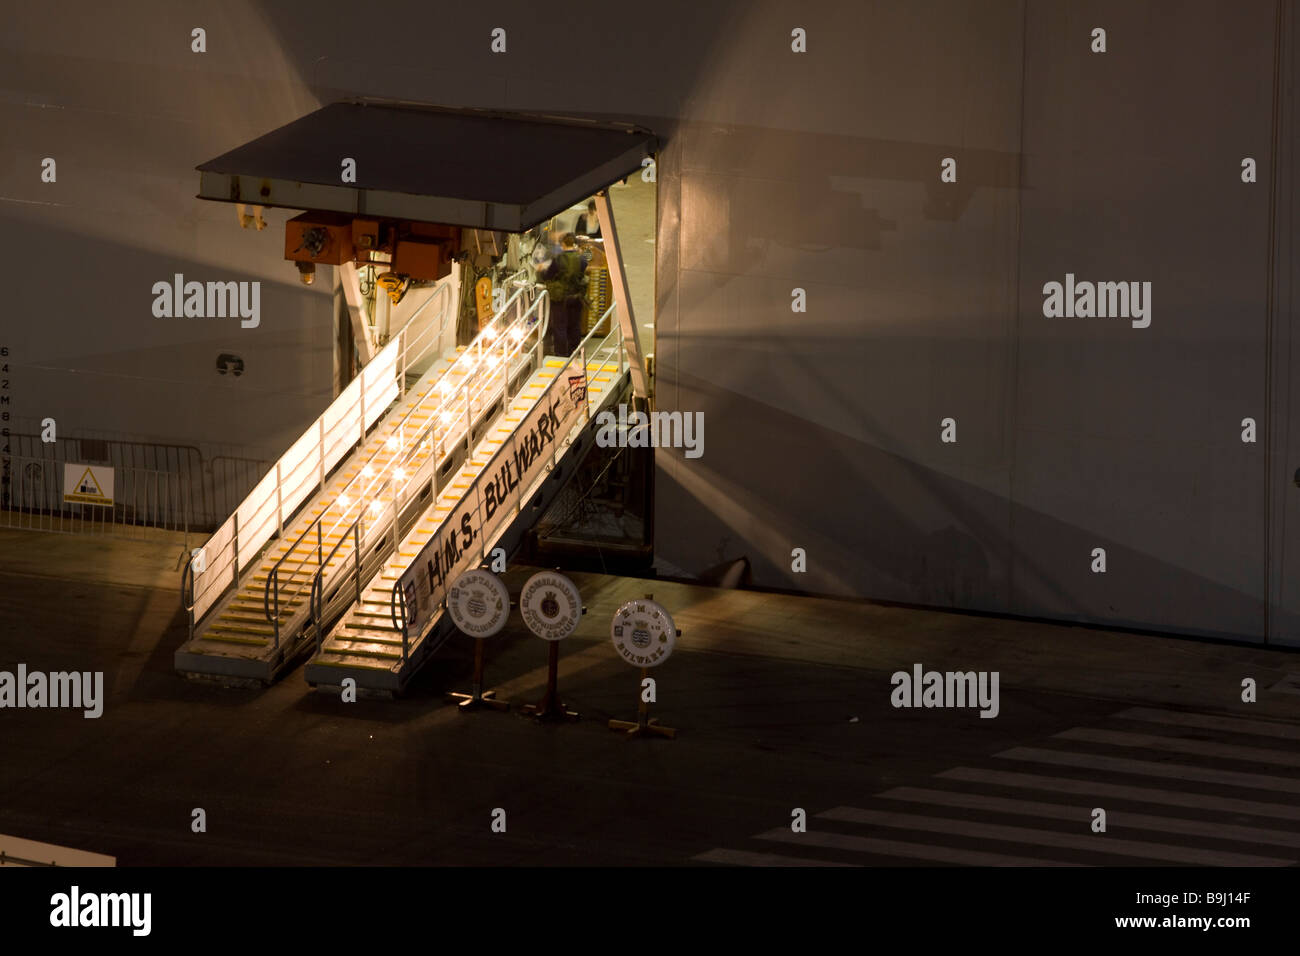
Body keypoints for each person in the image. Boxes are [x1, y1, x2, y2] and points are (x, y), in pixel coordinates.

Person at [538, 233, 587, 358]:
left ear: (563, 244)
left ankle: (561, 355)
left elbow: (548, 275)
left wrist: (541, 269)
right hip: (577, 297)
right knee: (575, 326)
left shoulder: (558, 259)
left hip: (560, 299)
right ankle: (574, 353)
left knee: (560, 327)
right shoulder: (582, 259)